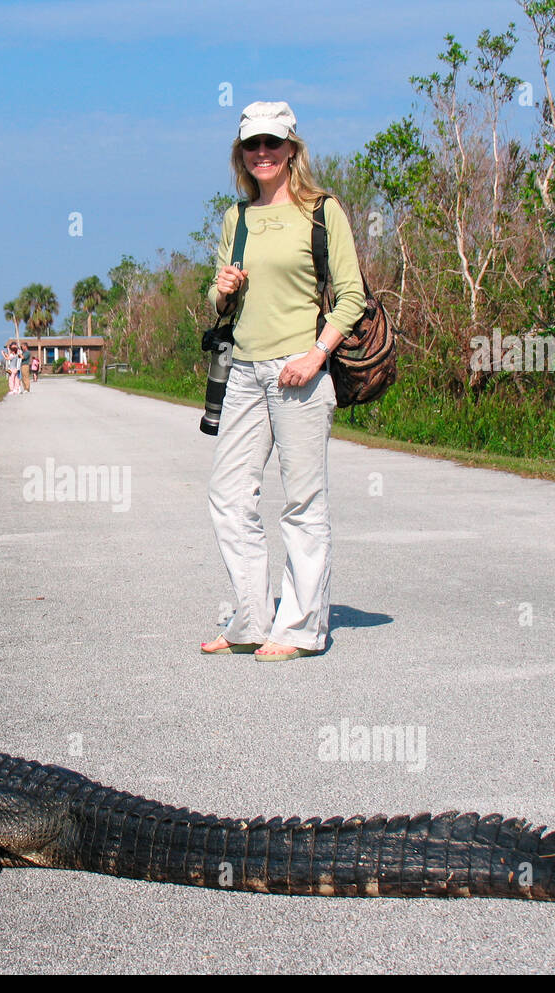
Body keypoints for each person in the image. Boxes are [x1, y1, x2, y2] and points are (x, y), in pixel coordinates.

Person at [200, 101, 365, 662]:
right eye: (252, 145)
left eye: (273, 143)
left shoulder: (322, 212)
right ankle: (249, 618)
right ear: (241, 154)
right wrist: (221, 287)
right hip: (243, 372)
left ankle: (299, 628)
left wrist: (317, 356)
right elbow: (217, 301)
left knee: (302, 503)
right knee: (228, 495)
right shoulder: (236, 218)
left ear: (292, 148)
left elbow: (352, 297)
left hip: (300, 371)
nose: (263, 154)